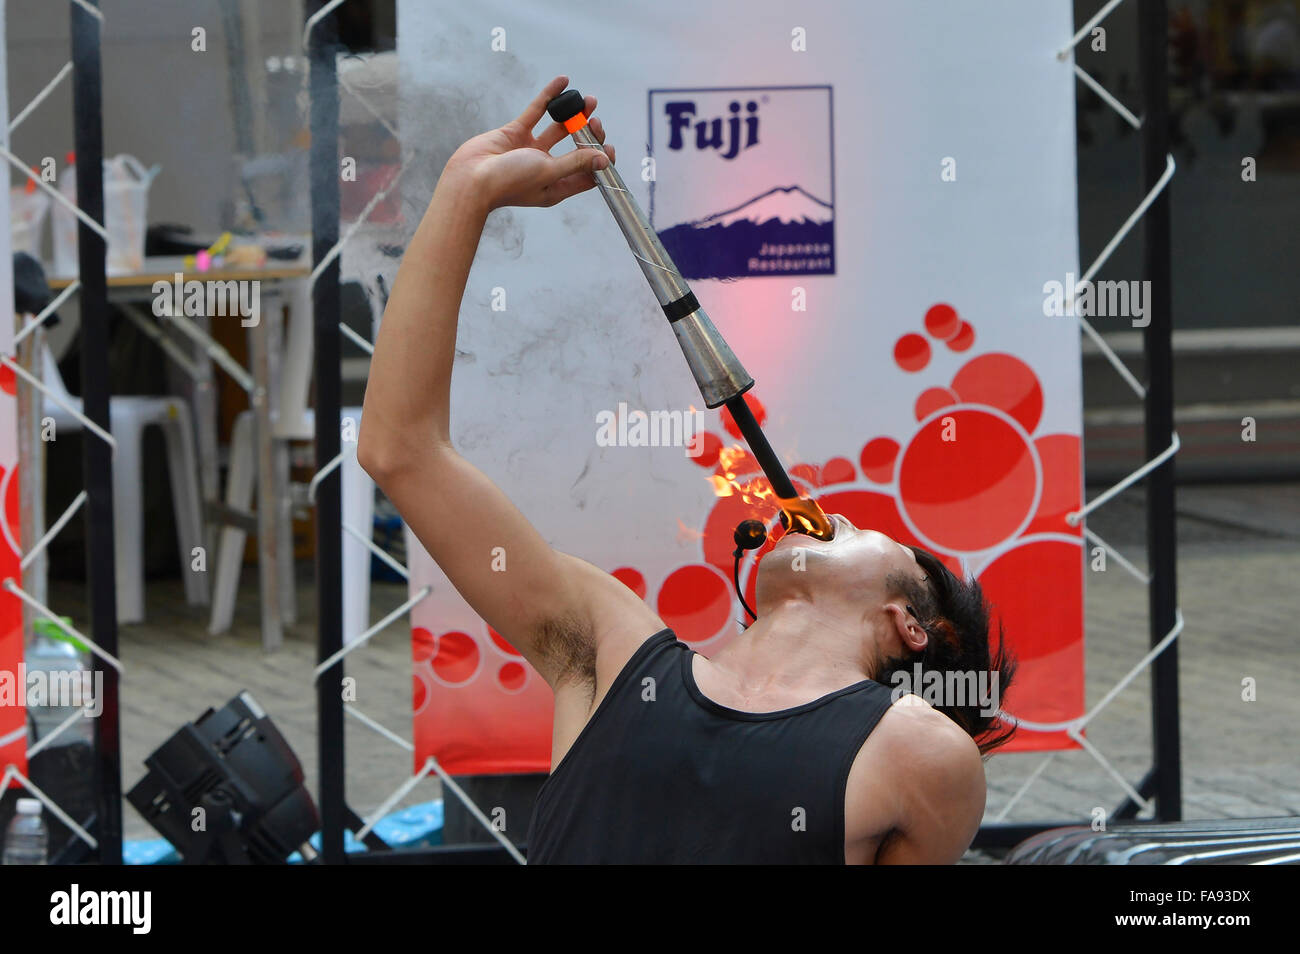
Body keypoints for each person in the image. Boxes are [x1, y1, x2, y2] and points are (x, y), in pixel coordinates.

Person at [359, 76, 1016, 865]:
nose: (827, 513)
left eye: (862, 530)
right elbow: (400, 450)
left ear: (910, 624)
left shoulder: (920, 754)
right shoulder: (609, 651)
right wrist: (465, 192)